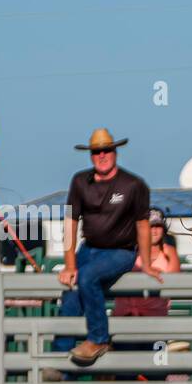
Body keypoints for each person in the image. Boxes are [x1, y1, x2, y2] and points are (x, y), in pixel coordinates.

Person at [53, 129, 159, 367]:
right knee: (70, 297)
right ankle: (59, 362)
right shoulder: (80, 181)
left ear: (115, 152)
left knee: (88, 276)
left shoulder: (133, 184)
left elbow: (143, 225)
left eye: (106, 150)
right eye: (96, 151)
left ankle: (99, 338)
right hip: (89, 248)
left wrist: (147, 263)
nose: (102, 155)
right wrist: (70, 264)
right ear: (90, 156)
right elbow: (70, 222)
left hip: (121, 251)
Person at [114, 208, 180, 318]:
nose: (154, 231)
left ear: (163, 229)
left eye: (158, 226)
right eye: (150, 226)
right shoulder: (129, 250)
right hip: (125, 314)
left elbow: (175, 282)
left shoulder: (169, 252)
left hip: (156, 315)